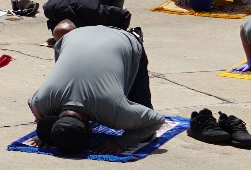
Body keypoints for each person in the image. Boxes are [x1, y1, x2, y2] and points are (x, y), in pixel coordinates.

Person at [26, 24, 166, 154]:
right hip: (75, 35)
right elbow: (31, 102)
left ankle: (135, 35)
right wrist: (41, 122)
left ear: (89, 129)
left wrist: (122, 143)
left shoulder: (115, 111)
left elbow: (156, 120)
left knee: (145, 135)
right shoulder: (42, 104)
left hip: (124, 41)